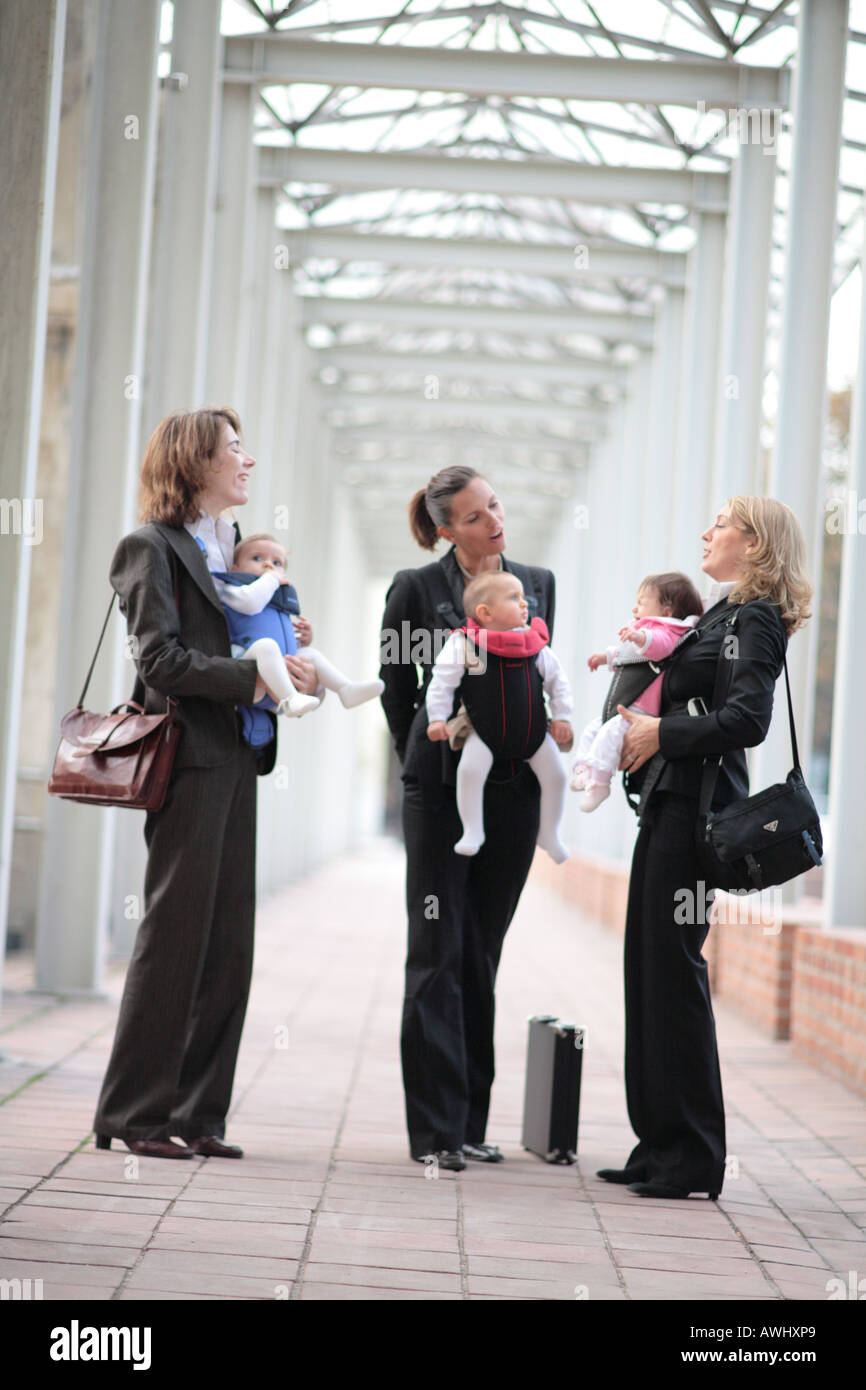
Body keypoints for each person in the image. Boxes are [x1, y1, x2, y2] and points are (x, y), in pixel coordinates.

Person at [92, 407, 319, 1160]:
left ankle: (196, 1113)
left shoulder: (228, 547)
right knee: (174, 936)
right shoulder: (148, 547)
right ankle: (134, 1114)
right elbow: (159, 663)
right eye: (234, 451)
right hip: (188, 758)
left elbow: (233, 637)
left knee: (227, 944)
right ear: (195, 464)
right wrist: (253, 681)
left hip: (239, 757)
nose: (248, 461)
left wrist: (287, 649)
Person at [597, 498, 812, 1200]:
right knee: (648, 972)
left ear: (753, 544)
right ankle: (657, 1143)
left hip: (695, 819)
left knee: (674, 975)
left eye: (719, 524)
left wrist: (662, 736)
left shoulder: (752, 619)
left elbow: (746, 720)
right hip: (667, 808)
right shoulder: (720, 616)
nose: (704, 533)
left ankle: (690, 1156)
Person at [379, 466, 563, 1171]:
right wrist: (422, 761)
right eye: (476, 515)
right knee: (435, 948)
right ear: (447, 529)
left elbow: (538, 677)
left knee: (480, 951)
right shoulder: (415, 590)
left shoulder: (537, 581)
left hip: (513, 795)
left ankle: (470, 1124)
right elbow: (399, 689)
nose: (495, 520)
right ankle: (434, 1131)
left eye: (497, 505)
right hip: (439, 795)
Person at [425, 570, 572, 861]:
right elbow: (442, 682)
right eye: (514, 597)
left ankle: (550, 833)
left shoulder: (536, 646)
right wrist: (437, 718)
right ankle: (472, 830)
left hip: (534, 734)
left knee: (556, 775)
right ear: (485, 612)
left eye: (524, 597)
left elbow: (559, 683)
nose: (525, 604)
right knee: (469, 771)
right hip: (484, 732)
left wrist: (563, 716)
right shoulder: (464, 644)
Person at [214, 531, 384, 743]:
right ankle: (290, 699)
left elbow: (281, 639)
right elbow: (250, 604)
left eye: (277, 562)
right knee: (266, 646)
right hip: (247, 671)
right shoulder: (233, 590)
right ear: (235, 568)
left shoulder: (274, 601)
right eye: (257, 558)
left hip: (275, 677)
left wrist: (302, 639)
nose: (268, 565)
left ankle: (345, 689)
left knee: (310, 654)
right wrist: (272, 579)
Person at [571, 572, 702, 811]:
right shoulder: (646, 630)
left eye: (642, 603)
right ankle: (584, 768)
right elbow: (628, 656)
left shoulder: (669, 632)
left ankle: (600, 783)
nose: (635, 608)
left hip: (642, 710)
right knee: (593, 729)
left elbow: (658, 646)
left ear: (667, 611)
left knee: (609, 733)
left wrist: (640, 636)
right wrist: (606, 657)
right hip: (627, 705)